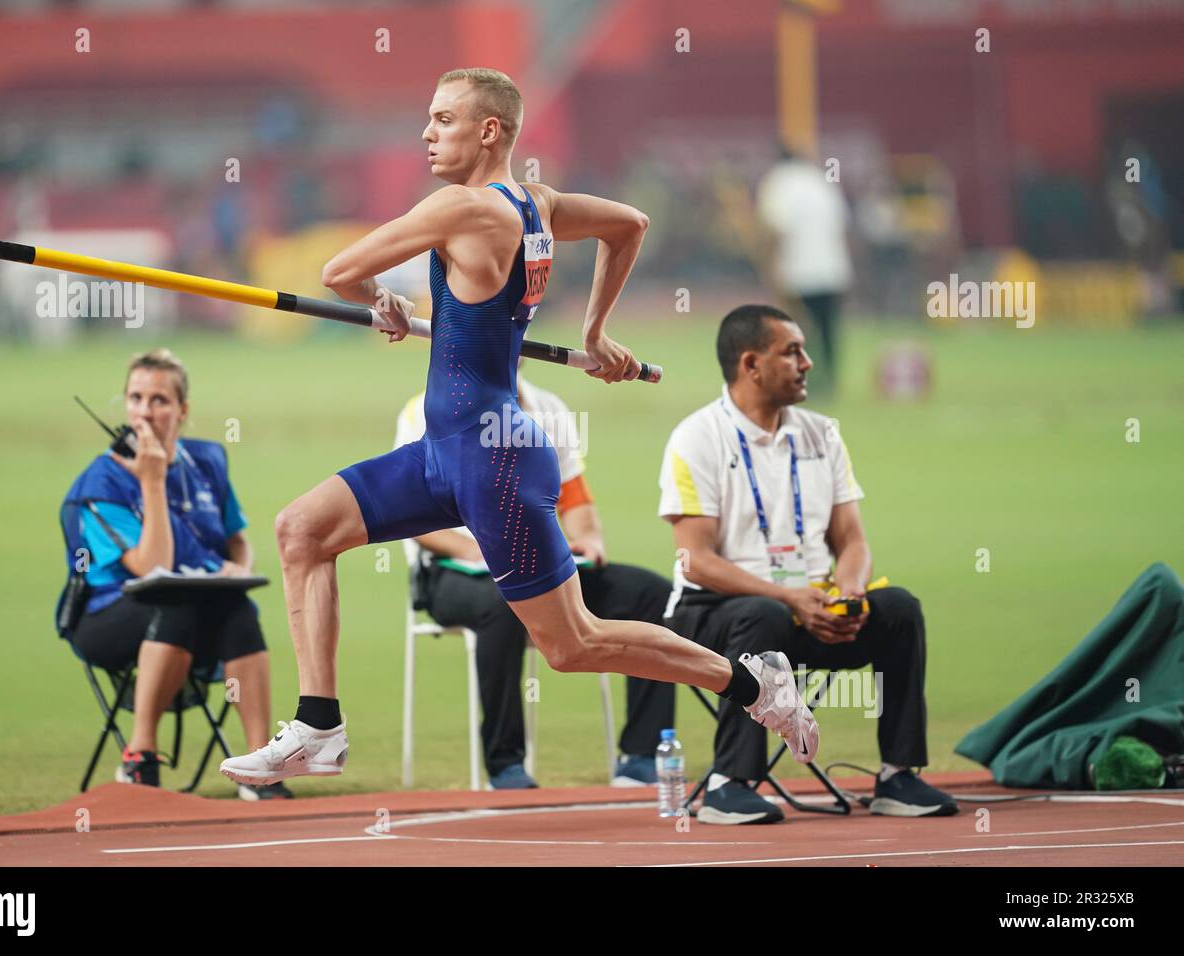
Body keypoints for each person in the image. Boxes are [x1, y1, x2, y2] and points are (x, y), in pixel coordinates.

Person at [219, 68, 817, 787]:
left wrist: (382, 301)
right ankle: (319, 726)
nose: (427, 133)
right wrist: (595, 335)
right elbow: (630, 225)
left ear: (489, 131)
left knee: (572, 645)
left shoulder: (460, 209)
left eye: (443, 119)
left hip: (492, 463)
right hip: (448, 451)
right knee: (302, 531)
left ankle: (757, 688)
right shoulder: (537, 203)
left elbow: (339, 269)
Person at [659, 304, 958, 824]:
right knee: (762, 617)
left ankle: (898, 775)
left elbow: (853, 540)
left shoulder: (823, 434)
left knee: (898, 609)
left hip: (810, 608)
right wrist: (787, 596)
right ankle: (730, 783)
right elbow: (696, 560)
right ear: (751, 363)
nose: (808, 363)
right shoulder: (696, 438)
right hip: (716, 615)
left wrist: (849, 594)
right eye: (792, 352)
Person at [395, 372, 675, 789]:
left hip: (543, 564)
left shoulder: (549, 407)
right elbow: (406, 511)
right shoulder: (425, 410)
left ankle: (643, 754)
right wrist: (472, 550)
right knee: (502, 601)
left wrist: (588, 538)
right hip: (455, 571)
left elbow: (574, 496)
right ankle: (505, 764)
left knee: (650, 594)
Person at [60, 349, 291, 800]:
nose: (145, 411)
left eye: (159, 400)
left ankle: (258, 766)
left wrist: (237, 569)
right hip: (107, 614)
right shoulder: (101, 484)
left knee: (238, 606)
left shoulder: (206, 462)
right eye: (135, 398)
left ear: (182, 411)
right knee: (177, 603)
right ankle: (140, 755)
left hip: (194, 606)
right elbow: (153, 569)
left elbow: (237, 538)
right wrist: (151, 481)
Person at [756, 145, 852, 395]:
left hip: (797, 270)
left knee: (794, 330)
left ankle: (797, 380)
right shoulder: (821, 181)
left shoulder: (778, 183)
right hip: (832, 268)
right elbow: (842, 226)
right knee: (828, 328)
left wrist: (771, 271)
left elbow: (776, 231)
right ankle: (829, 380)